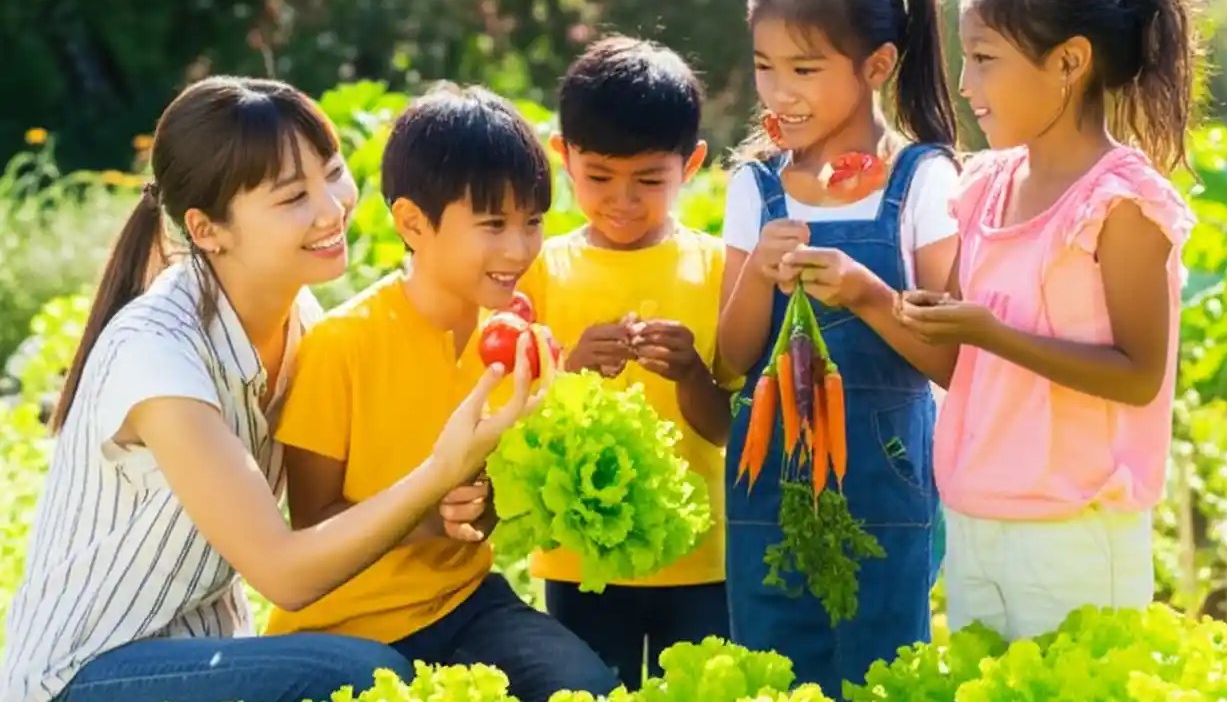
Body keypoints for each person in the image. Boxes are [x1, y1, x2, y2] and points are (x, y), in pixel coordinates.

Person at [0, 76, 544, 702]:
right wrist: (439, 471)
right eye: (292, 197)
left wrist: (439, 512)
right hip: (82, 676)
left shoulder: (301, 319)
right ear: (207, 230)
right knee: (364, 679)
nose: (332, 207)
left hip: (205, 650)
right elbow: (283, 574)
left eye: (333, 171)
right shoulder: (157, 356)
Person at [261, 82, 619, 702]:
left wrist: (496, 507)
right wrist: (428, 517)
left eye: (532, 222)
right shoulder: (343, 343)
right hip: (348, 626)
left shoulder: (518, 341)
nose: (519, 247)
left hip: (465, 601)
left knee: (583, 686)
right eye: (492, 224)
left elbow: (501, 494)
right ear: (412, 223)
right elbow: (311, 523)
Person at [893, 0, 1203, 641]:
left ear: (1069, 62)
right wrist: (864, 294)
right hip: (977, 519)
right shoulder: (984, 188)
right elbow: (957, 363)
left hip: (1076, 533)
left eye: (984, 58)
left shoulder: (1120, 205)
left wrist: (995, 335)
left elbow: (1138, 374)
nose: (966, 83)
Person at [716, 0, 961, 694]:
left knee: (880, 670)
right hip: (767, 487)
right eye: (765, 65)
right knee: (772, 670)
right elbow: (732, 360)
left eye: (804, 68)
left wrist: (868, 294)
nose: (779, 90)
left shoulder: (923, 181)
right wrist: (759, 274)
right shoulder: (753, 188)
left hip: (884, 484)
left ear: (877, 65)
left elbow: (948, 360)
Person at [517, 36, 736, 689]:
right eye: (598, 178)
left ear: (692, 164)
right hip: (580, 558)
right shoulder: (541, 270)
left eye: (648, 180)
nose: (621, 200)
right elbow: (513, 422)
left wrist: (694, 372)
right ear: (562, 157)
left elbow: (729, 427)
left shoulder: (720, 268)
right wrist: (572, 368)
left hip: (701, 558)